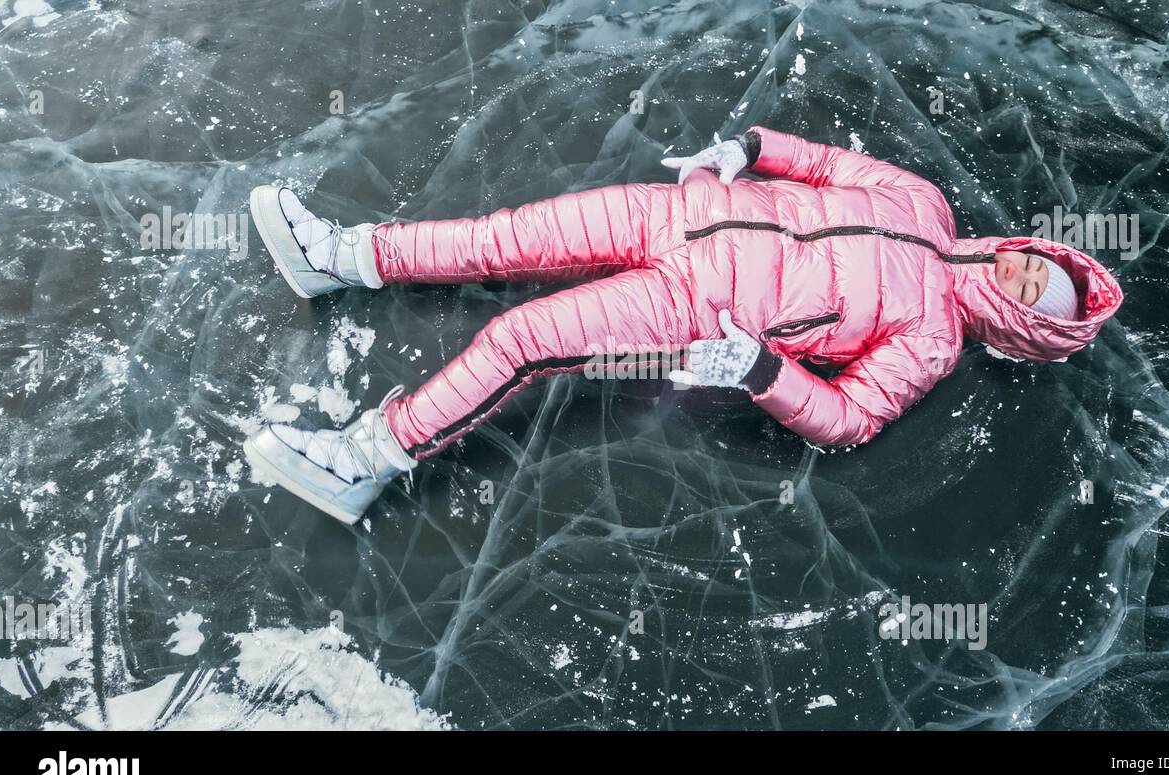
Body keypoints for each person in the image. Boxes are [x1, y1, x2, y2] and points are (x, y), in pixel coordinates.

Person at [243, 126, 1124, 523]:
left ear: (1024, 325)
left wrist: (760, 372)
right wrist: (748, 150)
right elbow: (821, 163)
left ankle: (368, 457)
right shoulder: (925, 202)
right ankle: (346, 258)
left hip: (697, 308)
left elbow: (850, 419)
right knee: (505, 233)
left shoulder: (931, 339)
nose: (1026, 270)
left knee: (521, 343)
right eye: (1040, 261)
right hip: (682, 212)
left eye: (1037, 290)